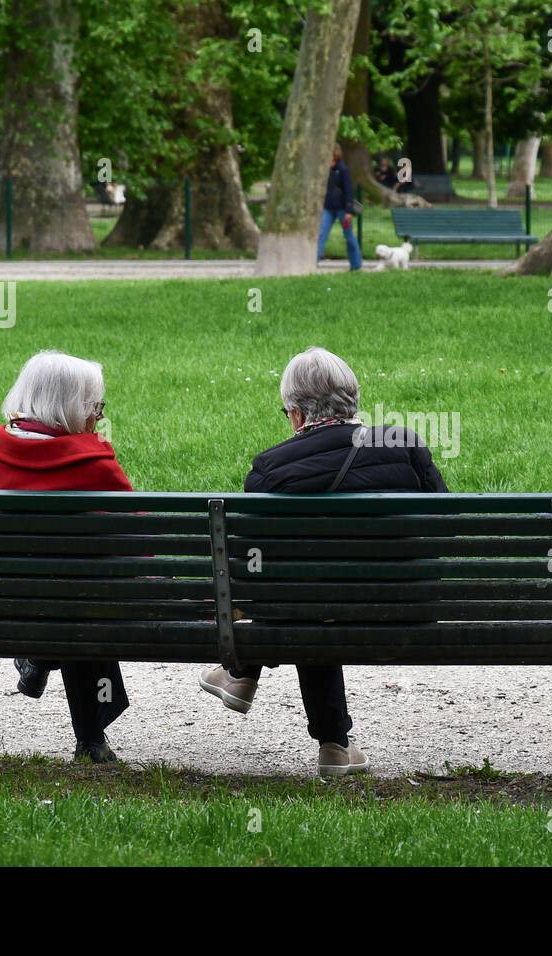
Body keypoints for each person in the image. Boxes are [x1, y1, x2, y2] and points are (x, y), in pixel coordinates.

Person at [198, 347, 449, 776]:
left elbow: (248, 563)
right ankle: (332, 746)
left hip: (306, 611)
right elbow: (447, 526)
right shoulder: (404, 445)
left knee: (307, 592)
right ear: (353, 400)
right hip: (402, 610)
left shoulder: (270, 469)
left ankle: (244, 674)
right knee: (317, 592)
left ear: (296, 415)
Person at [0, 350, 131, 763]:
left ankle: (39, 655)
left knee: (71, 592)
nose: (97, 419)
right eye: (96, 408)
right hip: (79, 610)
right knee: (83, 595)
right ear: (73, 407)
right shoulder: (96, 466)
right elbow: (136, 544)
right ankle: (90, 741)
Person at [317, 145, 363, 270]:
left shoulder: (343, 170)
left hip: (343, 210)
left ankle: (356, 265)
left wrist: (348, 211)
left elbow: (349, 191)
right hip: (328, 209)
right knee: (321, 234)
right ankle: (313, 261)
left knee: (349, 236)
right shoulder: (327, 170)